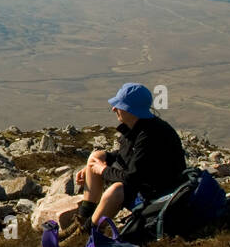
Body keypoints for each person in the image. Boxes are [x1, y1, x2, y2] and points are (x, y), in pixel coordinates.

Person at [76, 82, 186, 232]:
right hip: (142, 181)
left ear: (132, 110)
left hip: (157, 193)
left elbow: (131, 178)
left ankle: (87, 231)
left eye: (119, 106)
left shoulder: (150, 136)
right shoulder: (136, 126)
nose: (114, 109)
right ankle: (83, 218)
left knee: (116, 190)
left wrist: (102, 170)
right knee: (97, 155)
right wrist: (92, 167)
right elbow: (124, 158)